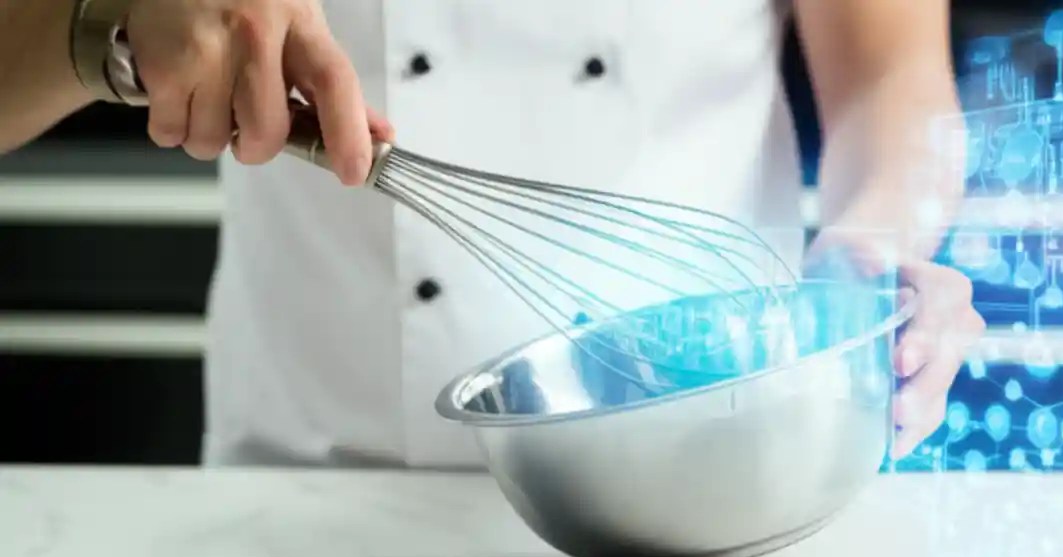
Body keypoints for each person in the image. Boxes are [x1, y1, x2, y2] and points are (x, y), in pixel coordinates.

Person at [0, 0, 984, 469]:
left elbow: (889, 75)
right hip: (310, 508)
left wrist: (874, 237)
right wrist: (107, 25)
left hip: (711, 483)